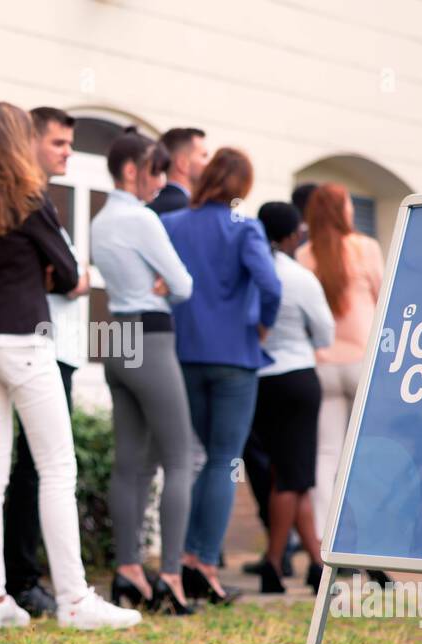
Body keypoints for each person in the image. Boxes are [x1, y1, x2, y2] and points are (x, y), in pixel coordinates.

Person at [0, 102, 141, 631]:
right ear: (17, 141)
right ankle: (76, 602)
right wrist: (47, 274)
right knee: (57, 468)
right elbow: (73, 271)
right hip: (25, 340)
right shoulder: (33, 199)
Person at [161, 148, 281, 606]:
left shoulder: (172, 225)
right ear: (243, 186)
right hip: (234, 355)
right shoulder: (245, 226)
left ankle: (185, 559)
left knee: (197, 457)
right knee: (224, 459)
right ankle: (204, 562)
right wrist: (263, 323)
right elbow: (270, 285)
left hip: (184, 352)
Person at [91, 129, 197, 615]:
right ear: (132, 170)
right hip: (150, 333)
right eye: (155, 170)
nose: (160, 180)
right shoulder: (142, 219)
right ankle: (171, 577)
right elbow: (183, 285)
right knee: (181, 458)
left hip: (110, 330)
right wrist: (162, 283)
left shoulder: (99, 219)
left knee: (128, 461)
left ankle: (128, 569)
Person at [1, 107, 90, 618]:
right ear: (30, 141)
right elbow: (67, 275)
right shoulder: (24, 199)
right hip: (40, 345)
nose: (66, 152)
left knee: (39, 467)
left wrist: (70, 275)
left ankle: (24, 578)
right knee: (36, 468)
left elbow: (68, 273)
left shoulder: (44, 199)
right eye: (58, 142)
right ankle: (23, 580)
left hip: (60, 348)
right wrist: (71, 276)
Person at [297, 183, 391, 587]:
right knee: (366, 458)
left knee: (326, 459)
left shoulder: (305, 254)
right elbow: (386, 296)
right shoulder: (365, 247)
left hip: (321, 364)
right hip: (362, 361)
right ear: (343, 211)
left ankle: (324, 555)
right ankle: (370, 551)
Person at [251, 202, 334, 594]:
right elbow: (325, 335)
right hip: (298, 378)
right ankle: (273, 562)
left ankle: (317, 563)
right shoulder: (300, 278)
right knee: (290, 478)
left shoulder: (249, 271)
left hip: (260, 379)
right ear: (289, 237)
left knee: (290, 476)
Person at [148, 127, 209, 215]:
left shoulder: (148, 207)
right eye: (204, 156)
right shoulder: (193, 211)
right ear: (183, 164)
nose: (210, 163)